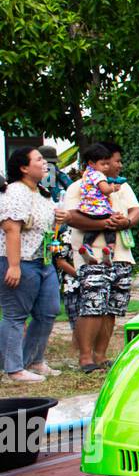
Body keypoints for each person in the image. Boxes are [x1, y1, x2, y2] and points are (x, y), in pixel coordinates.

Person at [62, 141, 139, 373]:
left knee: (112, 307)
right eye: (110, 162)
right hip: (92, 256)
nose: (116, 166)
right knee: (92, 306)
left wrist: (126, 221)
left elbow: (136, 210)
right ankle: (86, 358)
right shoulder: (78, 187)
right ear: (94, 165)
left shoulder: (122, 187)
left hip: (122, 254)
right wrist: (104, 223)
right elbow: (72, 217)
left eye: (115, 161)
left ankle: (101, 355)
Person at [0, 146, 66, 383]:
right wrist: (14, 265)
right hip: (20, 261)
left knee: (48, 311)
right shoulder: (14, 192)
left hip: (43, 261)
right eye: (39, 159)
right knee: (15, 314)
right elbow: (11, 229)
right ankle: (13, 369)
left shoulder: (41, 192)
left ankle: (34, 360)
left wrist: (59, 218)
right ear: (24, 167)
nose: (45, 163)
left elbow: (44, 225)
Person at [74, 142, 122, 263]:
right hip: (98, 207)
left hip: (88, 208)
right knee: (110, 223)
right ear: (91, 163)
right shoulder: (98, 175)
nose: (106, 167)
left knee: (93, 227)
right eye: (103, 164)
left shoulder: (87, 174)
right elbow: (105, 190)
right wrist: (113, 188)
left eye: (107, 163)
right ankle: (110, 247)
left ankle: (87, 246)